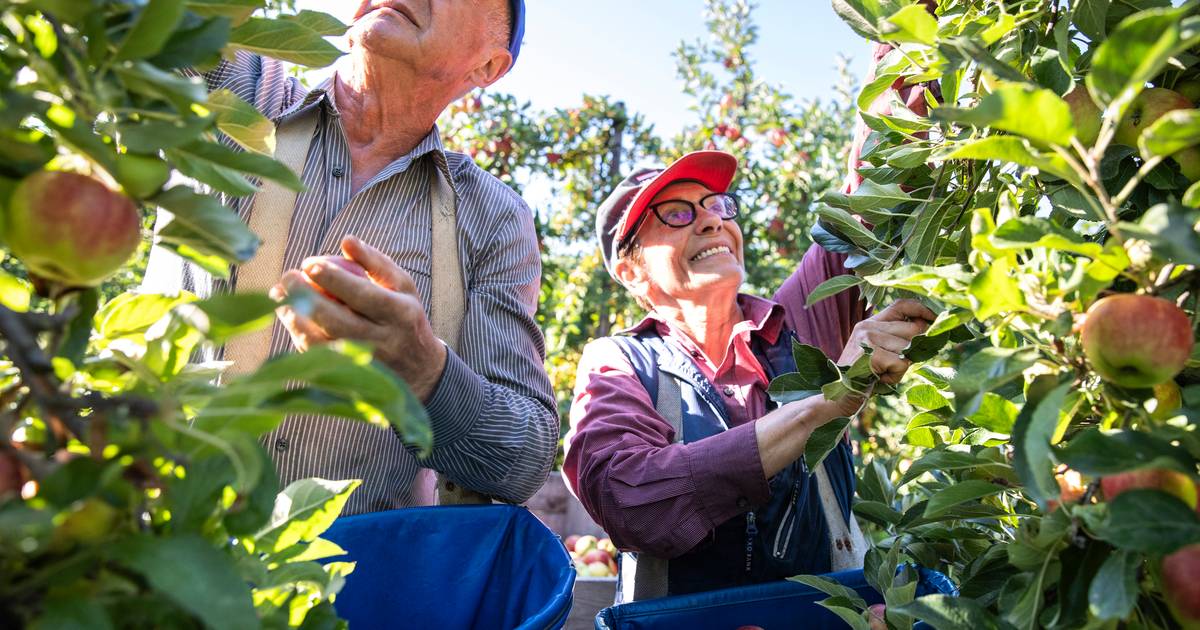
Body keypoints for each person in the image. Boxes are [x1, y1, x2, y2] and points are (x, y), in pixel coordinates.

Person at [142, 0, 558, 515]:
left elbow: (523, 459)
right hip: (150, 550)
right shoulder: (242, 88)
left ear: (488, 66)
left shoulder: (490, 217)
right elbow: (139, 17)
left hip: (349, 582)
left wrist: (424, 373)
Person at [562, 43, 936, 598]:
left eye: (716, 206)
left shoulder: (796, 325)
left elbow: (874, 203)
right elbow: (632, 499)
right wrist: (827, 401)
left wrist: (907, 47)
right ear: (631, 270)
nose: (712, 222)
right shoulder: (620, 363)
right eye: (678, 214)